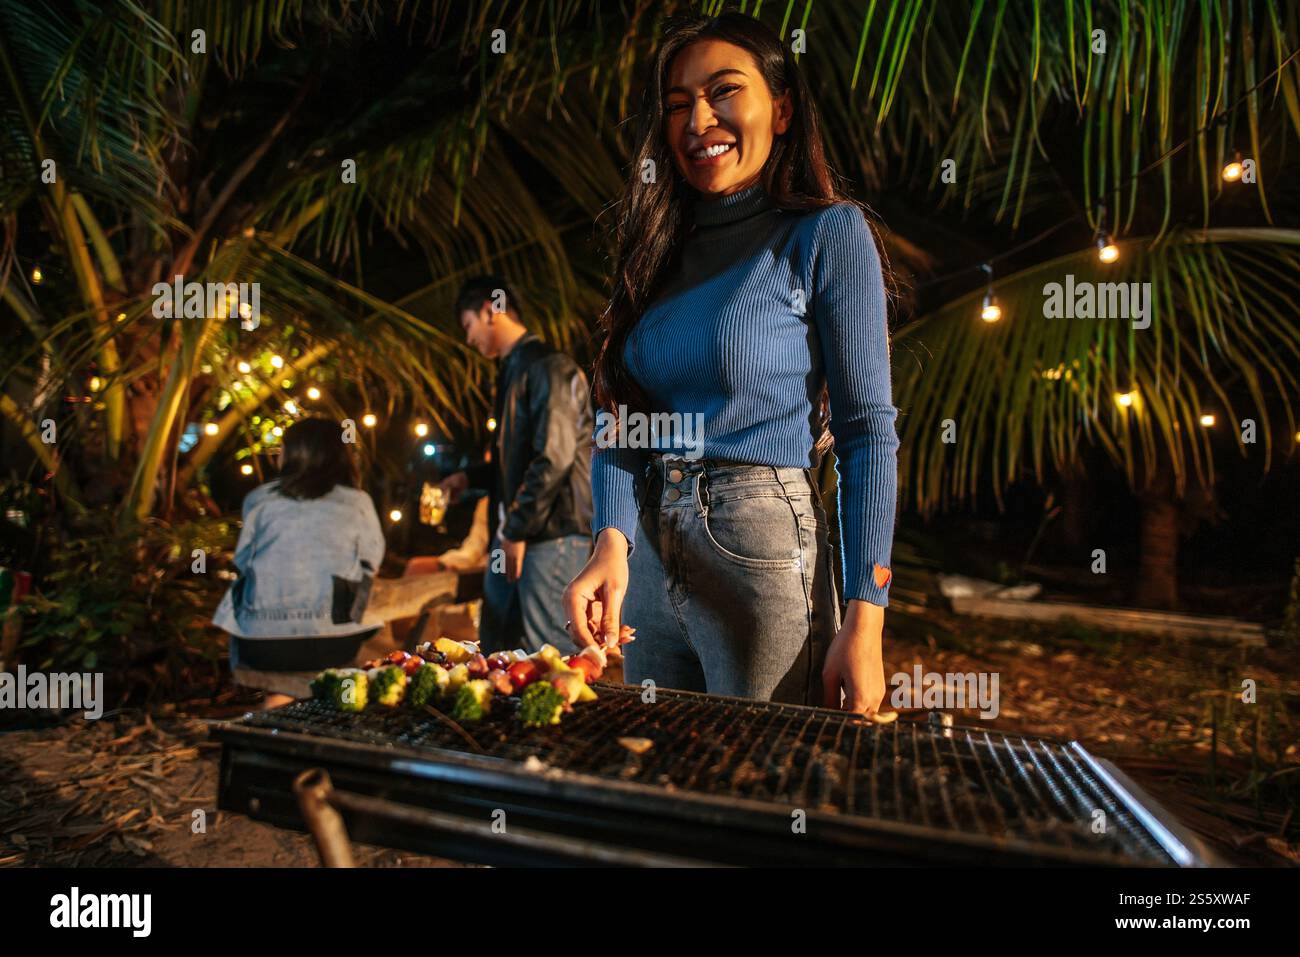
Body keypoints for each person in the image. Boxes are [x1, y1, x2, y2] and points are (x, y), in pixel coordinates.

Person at [562, 12, 899, 714]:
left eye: (723, 92)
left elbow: (868, 431)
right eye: (679, 104)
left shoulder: (826, 233)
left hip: (764, 545)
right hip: (650, 557)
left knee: (765, 789)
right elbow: (621, 418)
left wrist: (867, 615)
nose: (698, 119)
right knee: (664, 784)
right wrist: (610, 541)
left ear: (780, 110)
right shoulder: (656, 250)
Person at [440, 276, 594, 655]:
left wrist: (516, 529)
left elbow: (553, 458)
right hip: (516, 534)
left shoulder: (548, 367)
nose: (468, 338)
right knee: (498, 649)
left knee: (552, 656)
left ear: (491, 310)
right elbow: (515, 464)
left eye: (468, 326)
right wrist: (469, 477)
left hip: (551, 534)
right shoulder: (512, 371)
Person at [213, 417, 385, 707]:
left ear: (292, 454)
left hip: (262, 646)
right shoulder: (358, 502)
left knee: (279, 687)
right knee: (357, 616)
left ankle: (277, 717)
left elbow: (243, 561)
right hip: (333, 645)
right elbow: (372, 563)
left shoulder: (259, 499)